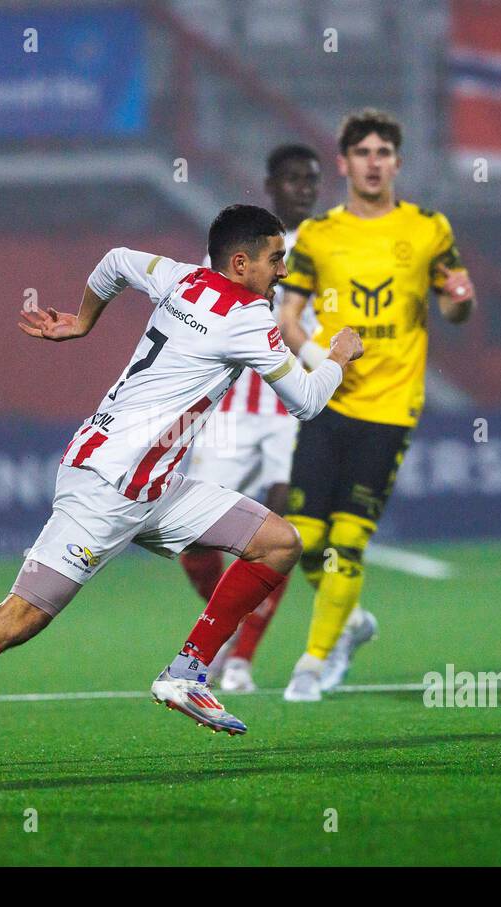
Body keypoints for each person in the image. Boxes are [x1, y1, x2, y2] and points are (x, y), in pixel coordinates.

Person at [0, 204, 363, 774]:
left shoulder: (179, 277)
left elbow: (116, 261)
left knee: (279, 542)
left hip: (153, 483)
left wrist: (83, 320)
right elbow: (308, 402)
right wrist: (336, 356)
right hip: (109, 488)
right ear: (240, 264)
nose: (283, 272)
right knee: (21, 617)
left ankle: (187, 673)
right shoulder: (246, 318)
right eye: (275, 259)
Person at [276, 109, 476, 702]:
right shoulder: (317, 236)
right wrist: (326, 359)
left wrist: (461, 300)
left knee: (349, 540)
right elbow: (286, 319)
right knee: (303, 540)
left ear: (397, 161)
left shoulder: (427, 230)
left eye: (383, 152)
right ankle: (352, 621)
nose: (372, 162)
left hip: (390, 410)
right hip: (328, 402)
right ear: (342, 163)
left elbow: (455, 305)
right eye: (361, 152)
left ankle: (312, 664)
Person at [180, 143, 322, 692]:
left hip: (290, 409)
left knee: (277, 527)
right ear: (271, 185)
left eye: (312, 178)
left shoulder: (332, 246)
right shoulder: (240, 246)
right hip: (233, 413)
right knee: (195, 537)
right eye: (292, 179)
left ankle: (240, 658)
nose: (304, 188)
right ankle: (228, 625)